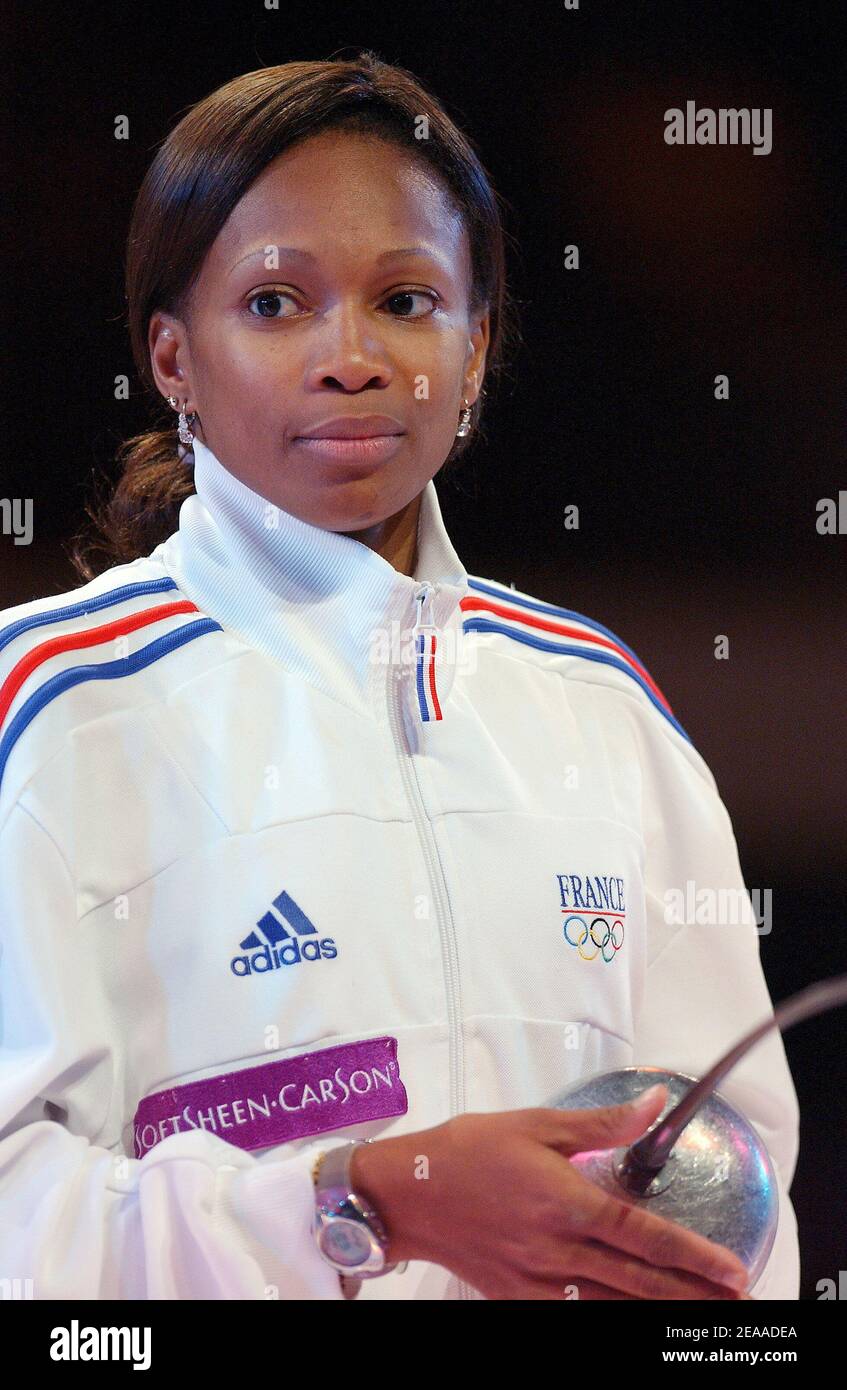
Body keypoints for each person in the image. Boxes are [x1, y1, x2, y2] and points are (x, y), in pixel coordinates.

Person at [0, 53, 799, 1301]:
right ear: (171, 359)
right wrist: (359, 1200)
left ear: (474, 353)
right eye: (274, 305)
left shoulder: (601, 706)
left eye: (409, 301)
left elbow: (740, 1194)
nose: (351, 358)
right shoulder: (46, 708)